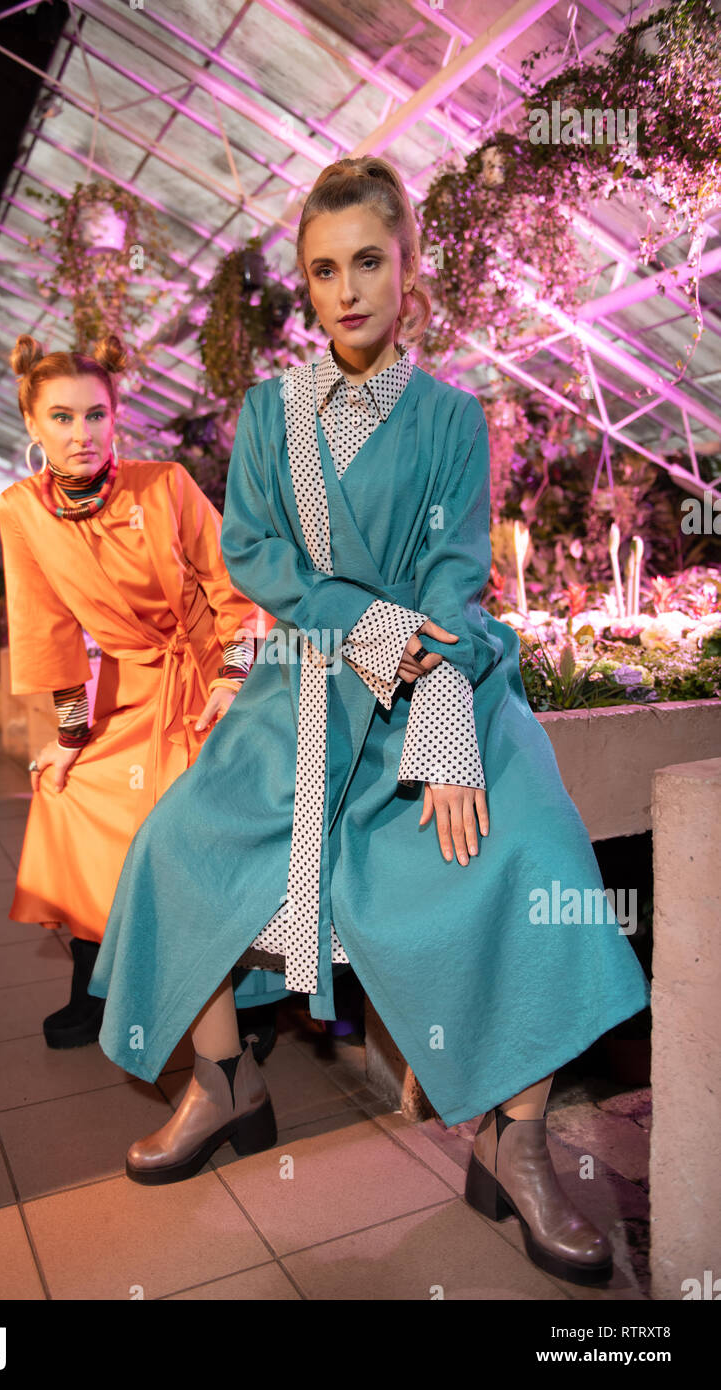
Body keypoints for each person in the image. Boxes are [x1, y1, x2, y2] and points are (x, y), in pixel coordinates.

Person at [88, 158, 651, 1287]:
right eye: (321, 269)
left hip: (437, 680)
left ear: (406, 269)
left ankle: (516, 1137)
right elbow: (254, 552)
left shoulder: (449, 418)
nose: (344, 290)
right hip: (301, 681)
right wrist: (358, 623)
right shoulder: (270, 413)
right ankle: (224, 1085)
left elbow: (450, 582)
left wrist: (441, 716)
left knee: (529, 851)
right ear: (306, 283)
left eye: (365, 263)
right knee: (173, 846)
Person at [0, 332, 277, 1051]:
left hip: (216, 681)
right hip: (126, 689)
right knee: (69, 796)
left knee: (195, 820)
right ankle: (96, 980)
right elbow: (47, 631)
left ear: (115, 416)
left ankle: (250, 1003)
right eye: (61, 417)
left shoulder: (165, 485)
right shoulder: (22, 510)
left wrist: (233, 678)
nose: (80, 433)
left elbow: (235, 591)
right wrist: (66, 741)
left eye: (96, 415)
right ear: (32, 424)